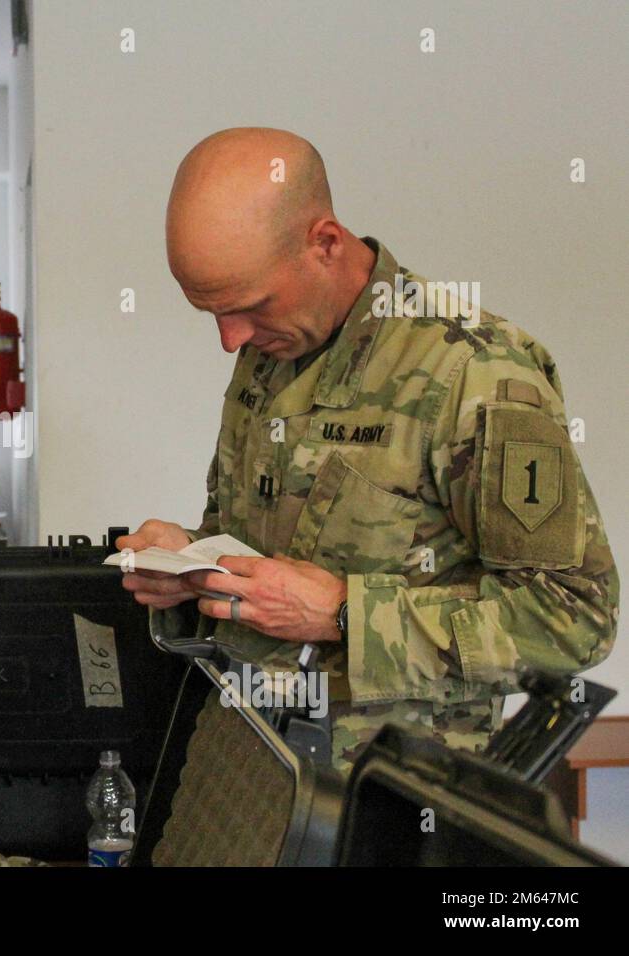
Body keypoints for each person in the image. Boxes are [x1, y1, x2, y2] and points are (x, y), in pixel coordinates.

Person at [120, 128, 618, 773]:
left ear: (325, 243)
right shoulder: (277, 343)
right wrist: (190, 563)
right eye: (209, 312)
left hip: (393, 793)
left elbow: (575, 620)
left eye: (247, 307)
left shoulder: (476, 372)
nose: (229, 339)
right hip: (253, 770)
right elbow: (279, 556)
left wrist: (348, 616)